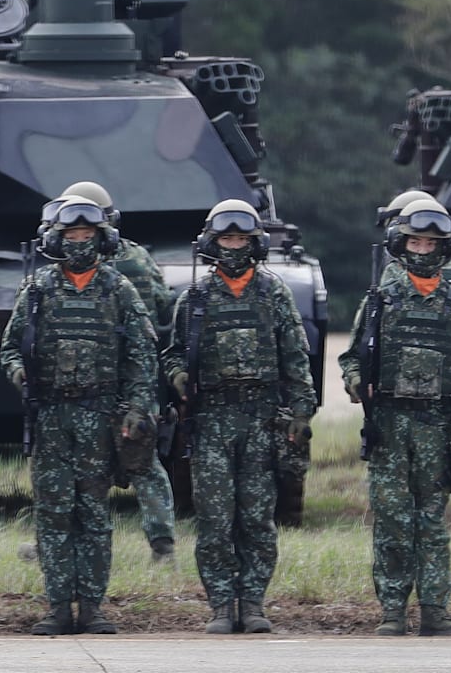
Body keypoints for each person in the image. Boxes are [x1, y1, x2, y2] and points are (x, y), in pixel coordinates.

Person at [0, 196, 156, 636]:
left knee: (92, 515)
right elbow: (10, 347)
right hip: (51, 417)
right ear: (57, 238)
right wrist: (19, 375)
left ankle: (91, 607)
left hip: (101, 417)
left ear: (101, 238)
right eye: (72, 235)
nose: (80, 242)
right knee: (52, 515)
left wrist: (137, 409)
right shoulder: (37, 290)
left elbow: (142, 356)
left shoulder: (118, 289)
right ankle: (56, 607)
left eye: (87, 235)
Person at [162, 199, 315, 634]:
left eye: (241, 239)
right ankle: (220, 605)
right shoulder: (193, 299)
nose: (233, 246)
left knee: (256, 517)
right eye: (226, 238)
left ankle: (252, 603)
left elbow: (295, 360)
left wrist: (301, 414)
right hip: (211, 420)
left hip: (262, 420)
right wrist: (177, 379)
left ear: (255, 243)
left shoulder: (274, 294)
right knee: (214, 518)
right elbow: (172, 353)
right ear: (212, 242)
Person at [340, 198, 451, 636]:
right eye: (415, 241)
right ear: (401, 243)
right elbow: (351, 356)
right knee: (394, 520)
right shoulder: (381, 300)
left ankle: (434, 612)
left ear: (444, 247)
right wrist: (358, 383)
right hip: (391, 426)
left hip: (438, 427)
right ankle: (393, 611)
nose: (422, 249)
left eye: (431, 242)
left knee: (432, 523)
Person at [59, 182, 177, 561]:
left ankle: (63, 539)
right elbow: (162, 309)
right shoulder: (138, 258)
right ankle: (162, 544)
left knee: (88, 468)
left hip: (107, 379)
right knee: (143, 463)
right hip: (135, 377)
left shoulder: (107, 269)